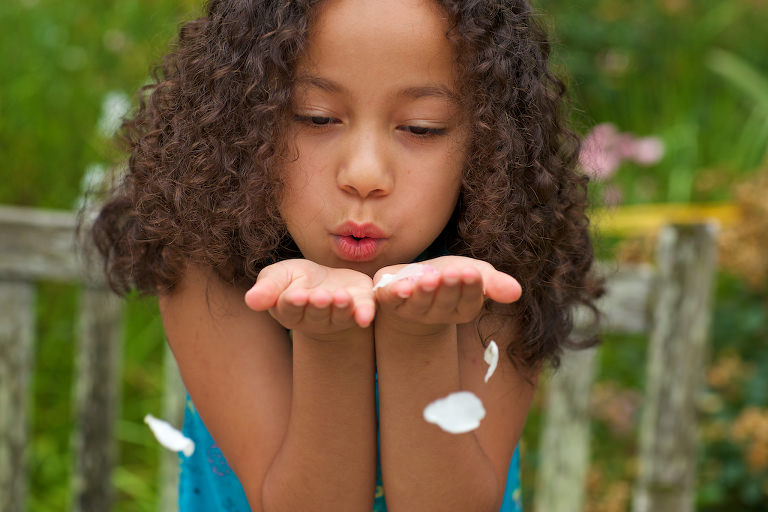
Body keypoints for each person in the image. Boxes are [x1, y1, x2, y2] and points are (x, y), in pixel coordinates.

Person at [91, 0, 600, 510]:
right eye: (316, 118)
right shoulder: (206, 255)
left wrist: (419, 332)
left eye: (421, 127)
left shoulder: (500, 261)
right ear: (243, 120)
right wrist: (328, 335)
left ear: (490, 144)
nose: (364, 174)